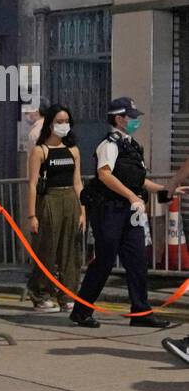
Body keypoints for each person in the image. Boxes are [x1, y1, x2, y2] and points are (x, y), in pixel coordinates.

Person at [70, 98, 172, 329]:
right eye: (131, 116)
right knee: (104, 261)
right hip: (109, 210)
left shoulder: (132, 146)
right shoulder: (109, 144)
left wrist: (166, 189)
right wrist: (131, 196)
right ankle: (81, 311)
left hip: (129, 212)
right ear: (119, 118)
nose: (136, 120)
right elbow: (105, 174)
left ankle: (141, 312)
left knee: (137, 261)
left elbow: (138, 180)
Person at [25, 105, 84, 313]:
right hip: (49, 199)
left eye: (66, 121)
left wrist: (82, 209)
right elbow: (32, 183)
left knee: (70, 250)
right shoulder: (40, 151)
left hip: (70, 200)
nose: (63, 125)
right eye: (59, 121)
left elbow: (78, 182)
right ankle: (41, 293)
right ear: (50, 124)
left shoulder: (73, 150)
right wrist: (32, 214)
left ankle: (68, 294)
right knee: (47, 248)